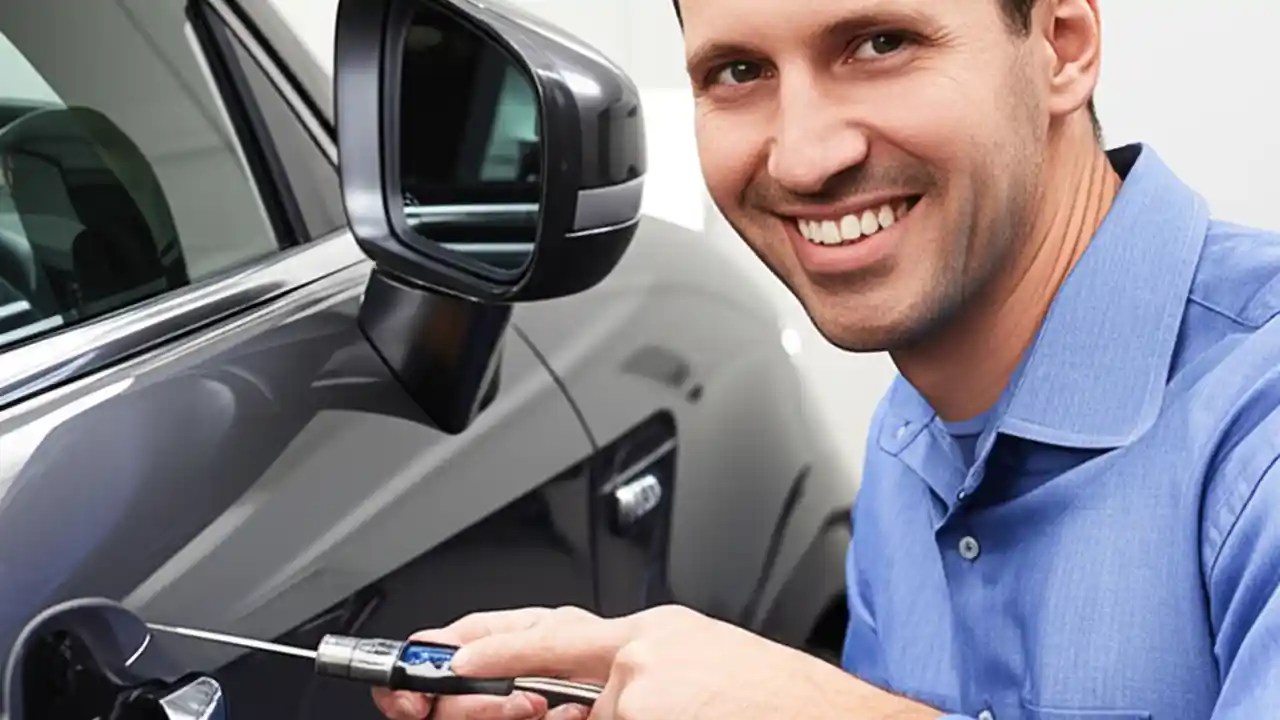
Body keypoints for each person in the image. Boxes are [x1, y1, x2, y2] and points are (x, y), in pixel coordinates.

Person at [375, 0, 1280, 718]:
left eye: (880, 43)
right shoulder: (909, 433)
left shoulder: (1258, 422)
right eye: (738, 71)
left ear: (1063, 46)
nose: (805, 158)